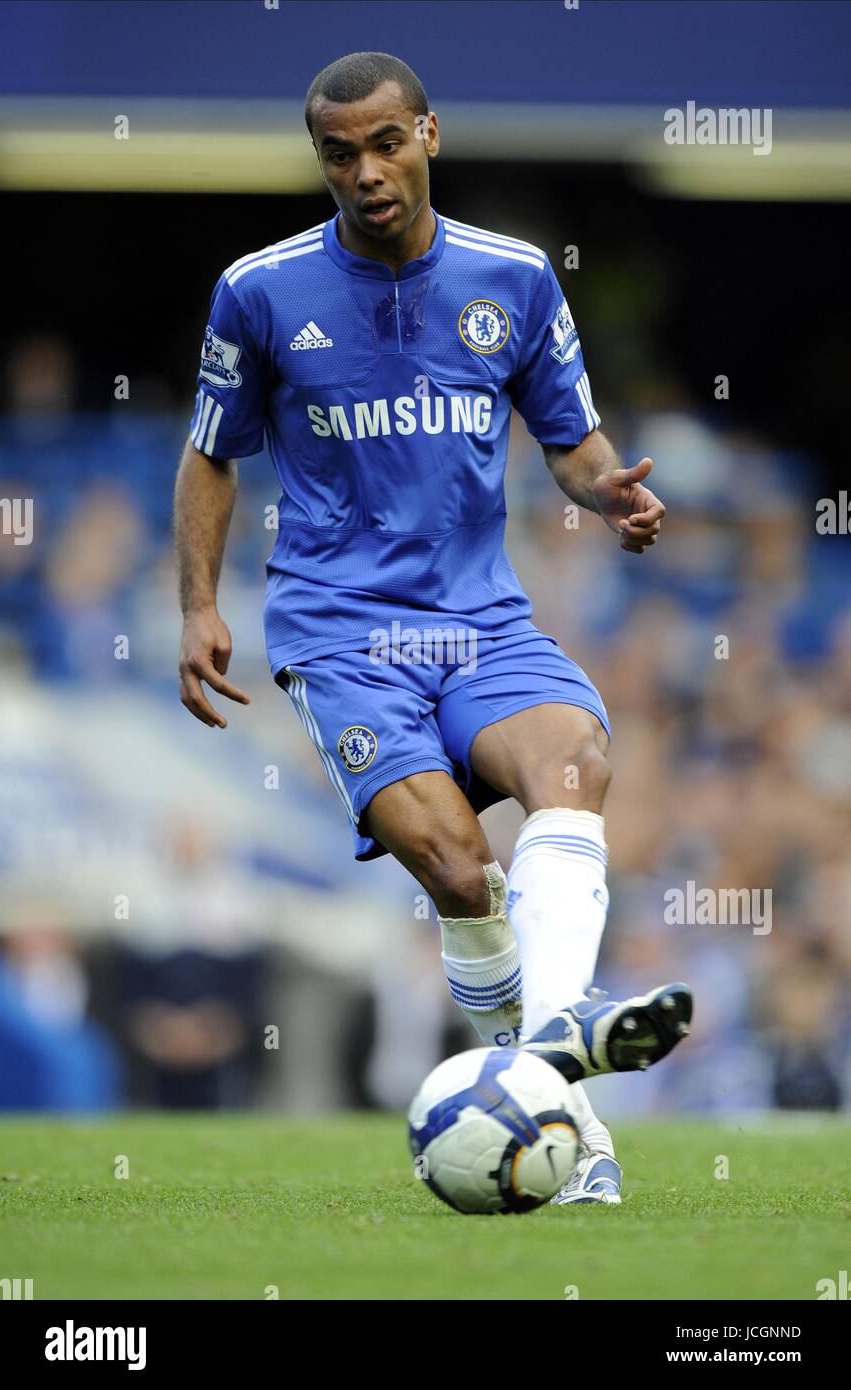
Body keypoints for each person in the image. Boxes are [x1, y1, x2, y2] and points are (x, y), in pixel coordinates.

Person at [174, 51, 692, 1206]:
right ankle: (568, 1096)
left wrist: (606, 489)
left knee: (576, 765)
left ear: (430, 136)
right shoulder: (258, 290)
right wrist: (199, 604)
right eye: (338, 153)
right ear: (322, 160)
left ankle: (545, 1072)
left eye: (385, 143)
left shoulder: (512, 278)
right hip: (341, 628)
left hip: (479, 619)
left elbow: (570, 439)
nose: (364, 171)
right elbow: (210, 450)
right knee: (461, 869)